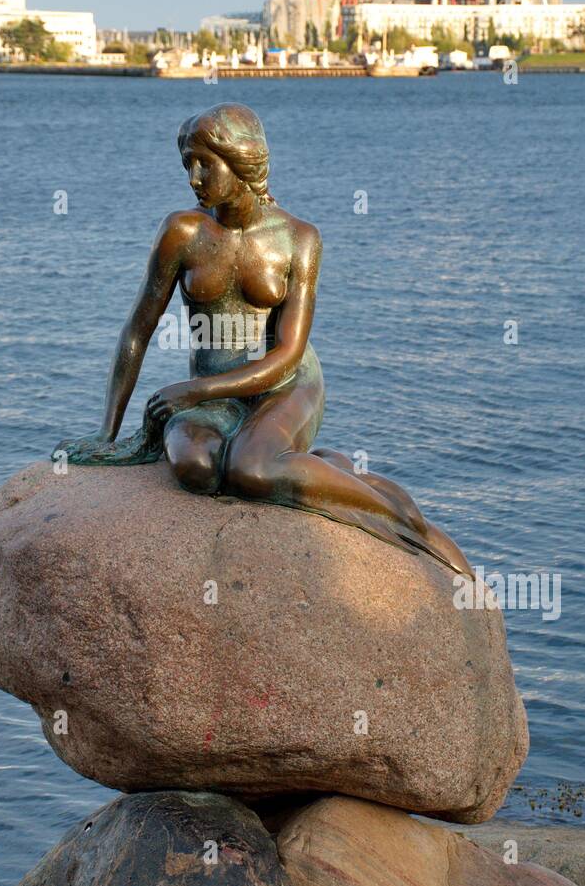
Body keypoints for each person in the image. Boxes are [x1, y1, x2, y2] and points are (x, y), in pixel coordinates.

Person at [55, 103, 472, 577]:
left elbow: (289, 354)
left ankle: (404, 518)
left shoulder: (299, 239)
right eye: (187, 163)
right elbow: (138, 329)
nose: (193, 177)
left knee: (251, 470)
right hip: (215, 393)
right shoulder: (182, 232)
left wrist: (190, 392)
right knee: (197, 468)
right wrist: (108, 432)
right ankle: (320, 466)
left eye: (204, 163)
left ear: (242, 162)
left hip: (285, 386)